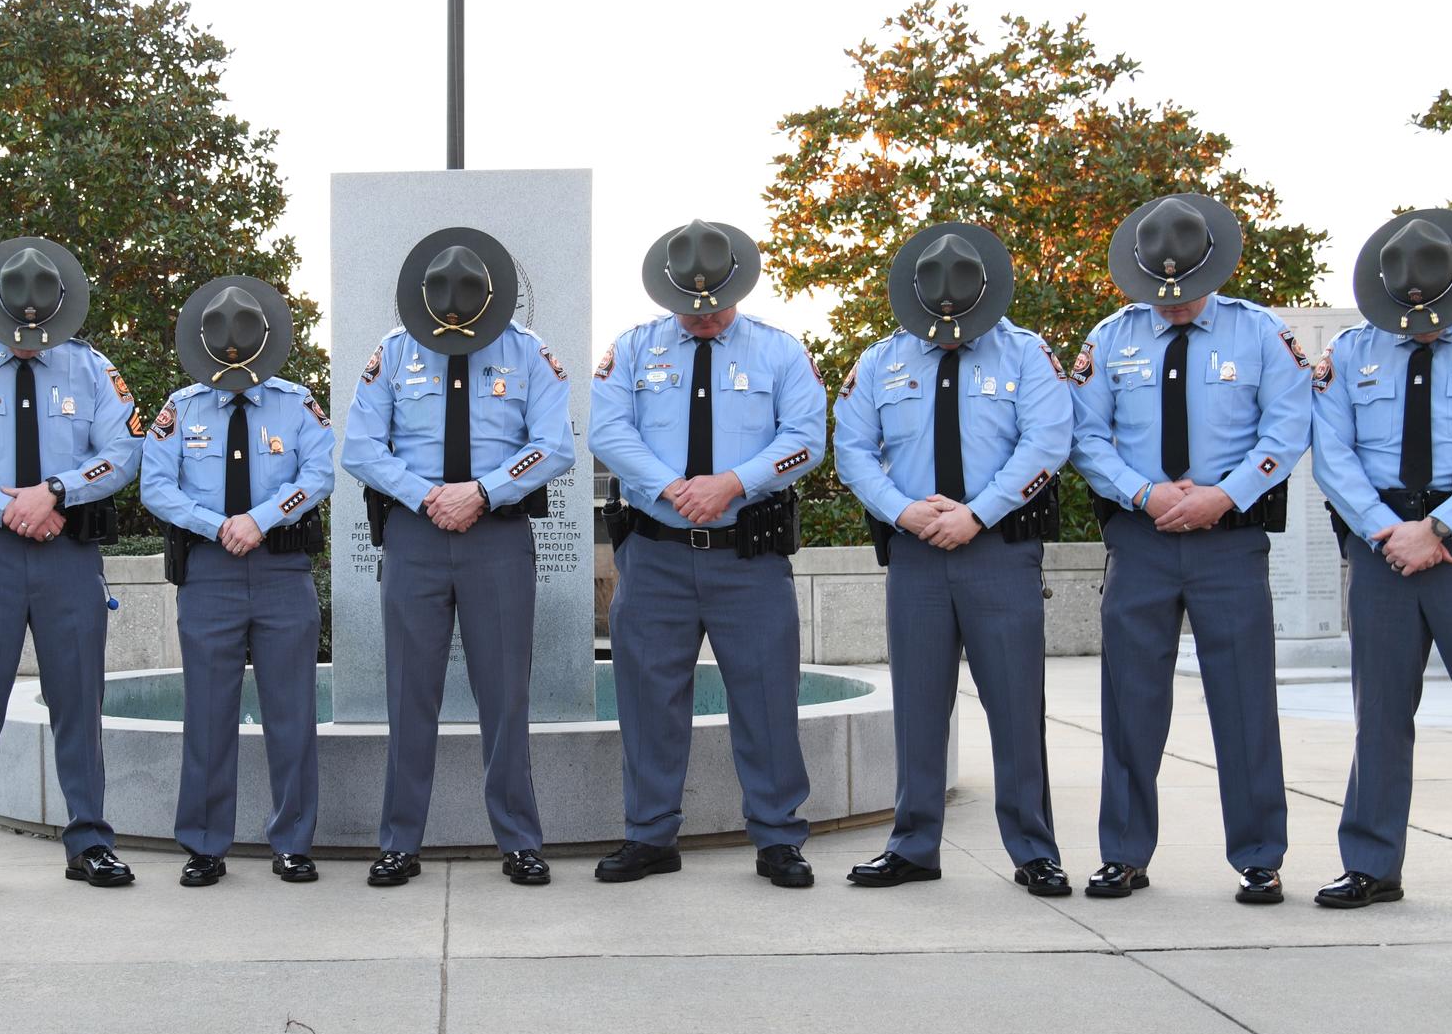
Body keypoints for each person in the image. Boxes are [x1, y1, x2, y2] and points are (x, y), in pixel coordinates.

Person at [1069, 194, 1306, 903]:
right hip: (1140, 541)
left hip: (1228, 543)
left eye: (1186, 289)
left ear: (1214, 268)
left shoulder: (1260, 333)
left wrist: (1223, 495)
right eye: (1158, 290)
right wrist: (1143, 493)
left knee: (1244, 702)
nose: (1172, 302)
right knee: (1130, 704)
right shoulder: (1110, 338)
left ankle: (1260, 856)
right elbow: (1085, 435)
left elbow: (1287, 428)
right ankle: (1124, 853)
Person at [833, 222, 1072, 896]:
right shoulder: (879, 362)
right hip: (916, 555)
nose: (948, 333)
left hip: (1000, 551)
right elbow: (852, 449)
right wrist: (901, 510)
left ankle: (1034, 849)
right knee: (917, 705)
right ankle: (913, 845)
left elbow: (1048, 441)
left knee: (1015, 706)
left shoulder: (1026, 354)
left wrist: (978, 513)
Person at [589, 219, 824, 888]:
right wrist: (670, 486)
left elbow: (806, 438)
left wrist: (734, 482)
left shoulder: (780, 352)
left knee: (766, 699)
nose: (703, 317)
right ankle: (650, 835)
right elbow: (607, 432)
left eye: (715, 306)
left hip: (748, 558)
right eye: (689, 308)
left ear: (737, 287)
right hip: (656, 555)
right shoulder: (632, 350)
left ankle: (778, 838)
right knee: (648, 701)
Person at [341, 227, 574, 887]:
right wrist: (427, 496)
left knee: (505, 696)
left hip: (497, 538)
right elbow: (360, 447)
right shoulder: (393, 353)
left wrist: (483, 491)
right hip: (414, 536)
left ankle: (519, 841)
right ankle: (399, 842)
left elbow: (554, 445)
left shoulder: (527, 352)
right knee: (409, 694)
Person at [0, 237, 143, 897]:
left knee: (79, 700)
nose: (27, 340)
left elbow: (124, 451)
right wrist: (9, 508)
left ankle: (90, 840)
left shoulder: (91, 368)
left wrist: (57, 492)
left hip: (67, 553)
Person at [1309, 209, 1452, 916]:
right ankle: (1371, 865)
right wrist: (1386, 531)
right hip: (1384, 549)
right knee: (1379, 715)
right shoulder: (1350, 352)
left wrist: (1442, 525)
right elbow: (1332, 455)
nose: (1421, 325)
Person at [142, 276, 333, 887]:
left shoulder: (296, 404)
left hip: (282, 570)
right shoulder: (181, 408)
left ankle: (293, 842)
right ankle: (204, 844)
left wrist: (262, 518)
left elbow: (320, 473)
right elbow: (155, 486)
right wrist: (217, 525)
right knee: (208, 712)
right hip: (209, 573)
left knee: (291, 713)